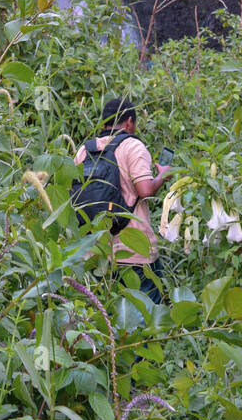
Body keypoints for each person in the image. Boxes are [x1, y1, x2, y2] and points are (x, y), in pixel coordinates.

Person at [74, 98, 174, 304]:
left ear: (104, 123)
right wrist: (162, 175)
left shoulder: (84, 151)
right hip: (134, 249)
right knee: (149, 310)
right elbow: (145, 190)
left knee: (104, 313)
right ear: (129, 122)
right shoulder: (132, 146)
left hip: (96, 252)